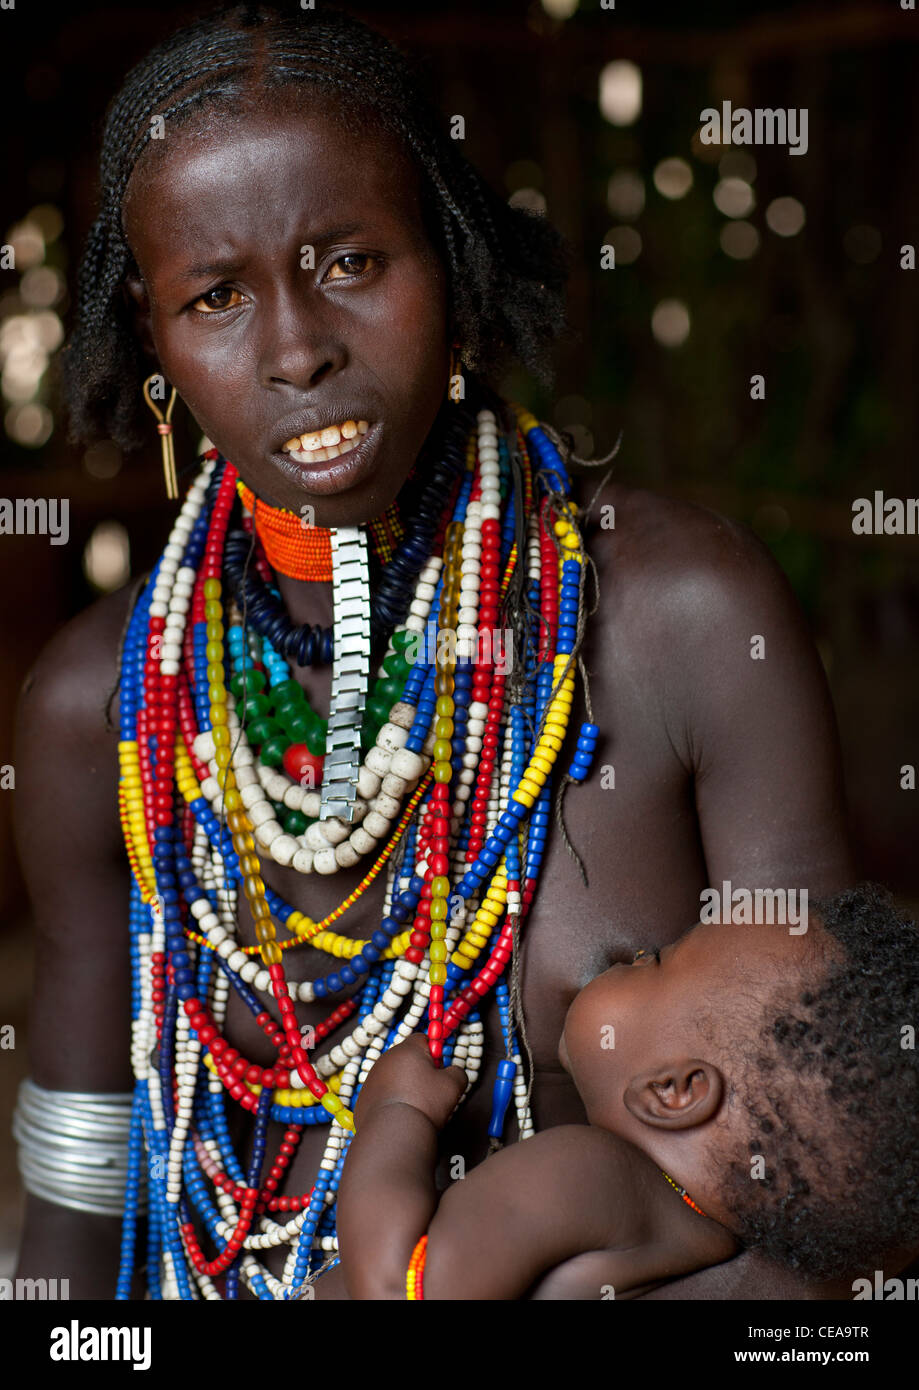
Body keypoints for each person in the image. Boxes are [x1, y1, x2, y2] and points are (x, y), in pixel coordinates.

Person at [12, 2, 862, 1300]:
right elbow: (78, 1204)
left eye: (349, 261)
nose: (296, 348)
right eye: (218, 296)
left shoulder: (683, 621)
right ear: (153, 341)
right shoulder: (97, 710)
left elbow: (828, 1167)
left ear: (449, 262)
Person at [338, 885, 919, 1299]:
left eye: (659, 961)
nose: (639, 951)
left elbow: (398, 1287)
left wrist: (396, 1111)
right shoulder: (692, 1240)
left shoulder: (591, 1171)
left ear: (672, 1092)